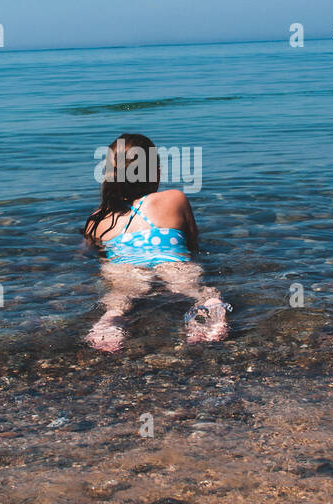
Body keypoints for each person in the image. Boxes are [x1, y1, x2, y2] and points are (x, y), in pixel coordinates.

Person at [82, 133, 228, 351]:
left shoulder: (98, 220)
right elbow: (192, 242)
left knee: (119, 298)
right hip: (170, 259)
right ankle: (209, 309)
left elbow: (94, 256)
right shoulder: (174, 198)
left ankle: (110, 321)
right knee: (196, 290)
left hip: (124, 265)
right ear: (156, 172)